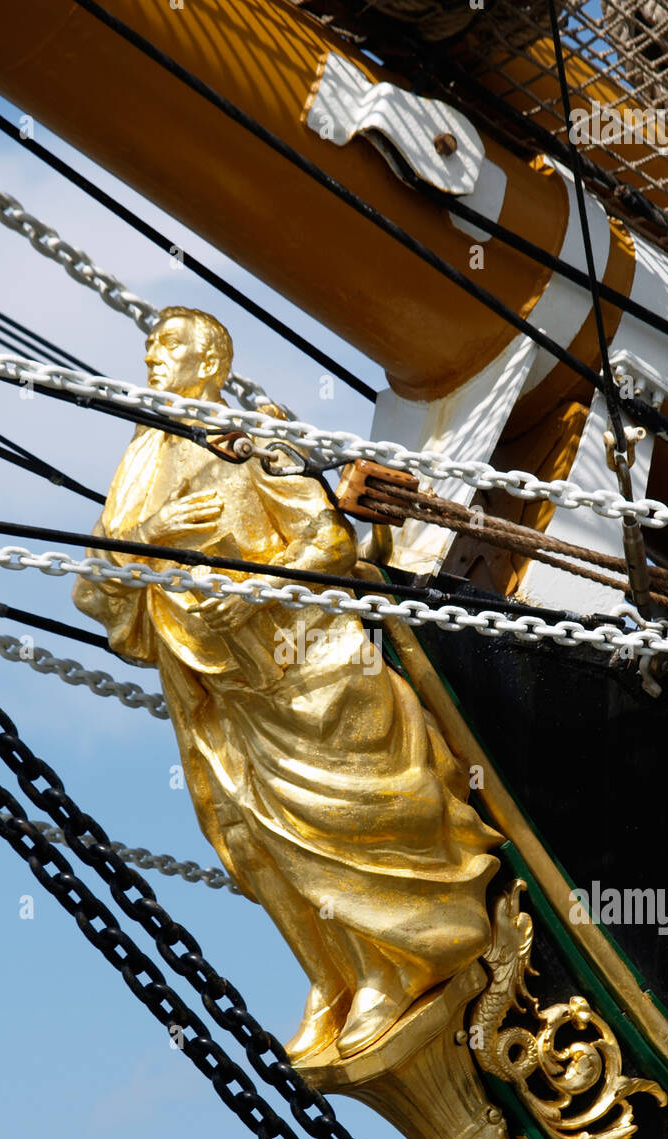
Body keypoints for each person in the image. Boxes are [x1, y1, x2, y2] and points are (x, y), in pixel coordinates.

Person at [73, 306, 502, 1059]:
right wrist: (151, 540)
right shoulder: (138, 463)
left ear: (211, 361)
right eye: (148, 344)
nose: (151, 356)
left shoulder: (251, 440)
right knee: (244, 840)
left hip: (296, 675)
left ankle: (389, 969)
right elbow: (91, 593)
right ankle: (330, 974)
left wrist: (246, 592)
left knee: (331, 824)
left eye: (168, 343)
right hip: (206, 693)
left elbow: (327, 539)